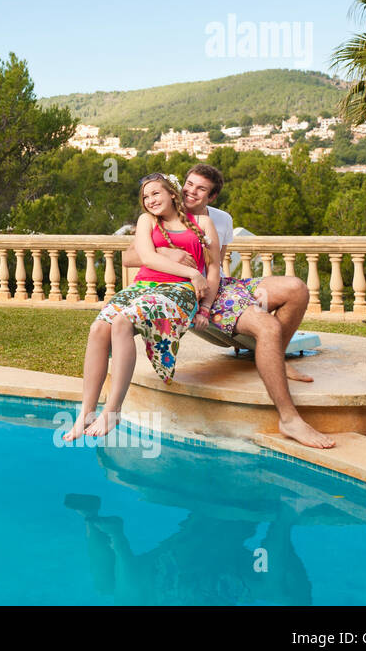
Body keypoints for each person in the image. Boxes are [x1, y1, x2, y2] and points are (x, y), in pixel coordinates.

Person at [120, 163, 335, 449]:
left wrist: (222, 294)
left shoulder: (220, 220)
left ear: (212, 196)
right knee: (267, 325)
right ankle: (288, 418)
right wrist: (166, 251)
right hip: (190, 291)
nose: (190, 192)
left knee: (296, 289)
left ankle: (275, 357)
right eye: (188, 184)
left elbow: (216, 264)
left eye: (201, 189)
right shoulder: (161, 210)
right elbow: (131, 257)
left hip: (222, 286)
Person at [64, 174, 218, 442]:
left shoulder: (202, 222)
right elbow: (145, 258)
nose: (150, 201)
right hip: (143, 285)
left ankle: (113, 411)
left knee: (123, 321)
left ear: (172, 194)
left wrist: (204, 306)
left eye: (156, 194)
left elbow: (213, 267)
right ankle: (85, 413)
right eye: (146, 197)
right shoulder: (147, 221)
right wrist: (191, 272)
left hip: (178, 291)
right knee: (99, 327)